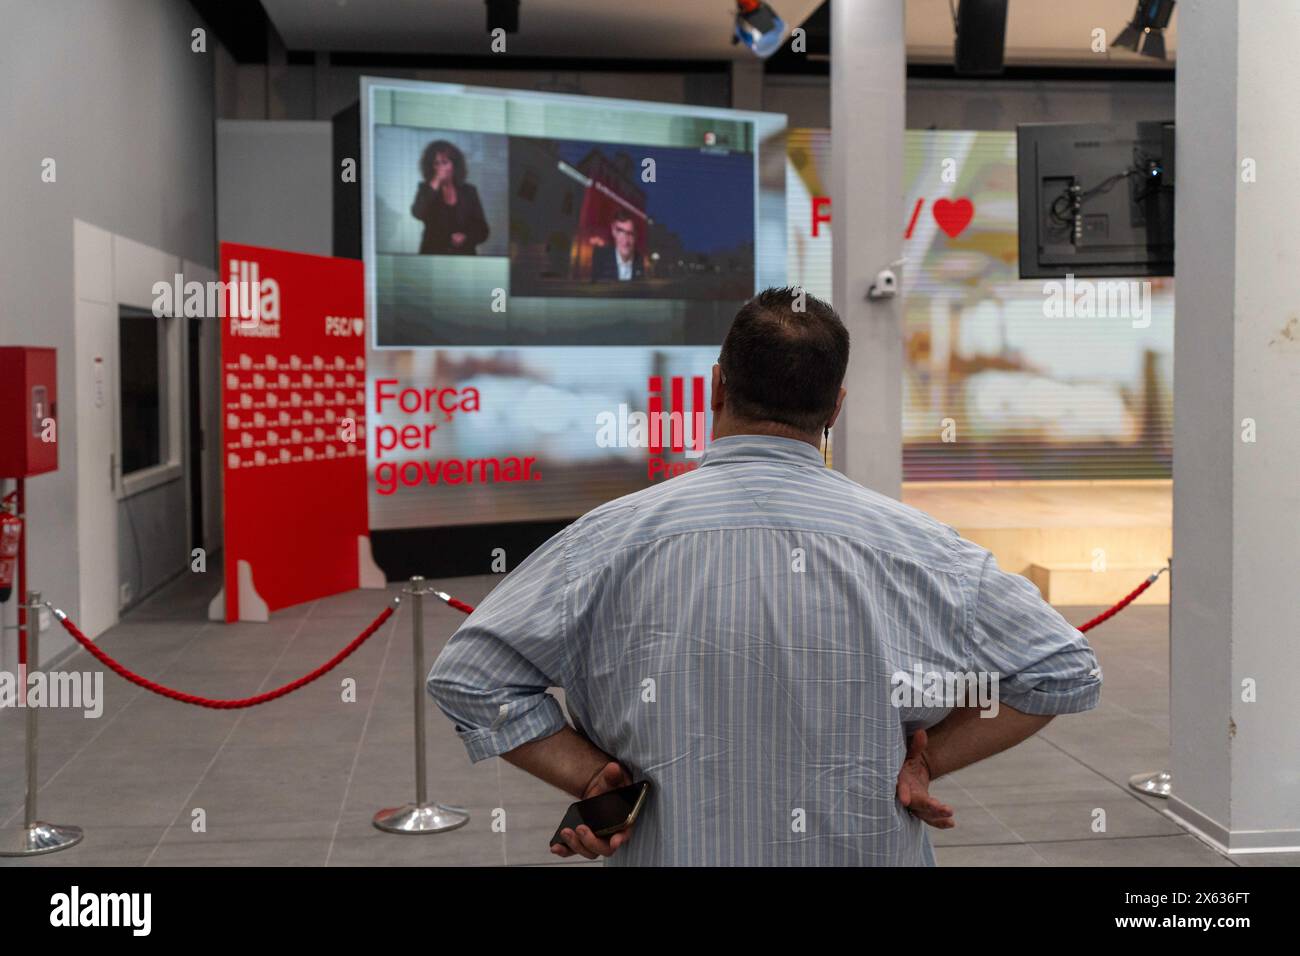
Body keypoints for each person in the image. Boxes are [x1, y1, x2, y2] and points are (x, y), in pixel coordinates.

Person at [427, 287, 1102, 866]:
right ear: (835, 407)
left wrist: (590, 775)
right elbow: (1062, 668)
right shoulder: (925, 550)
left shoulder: (605, 541)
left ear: (716, 387)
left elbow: (470, 677)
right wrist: (928, 760)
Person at [410, 140, 489, 255]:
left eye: (444, 162)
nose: (440, 168)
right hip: (433, 256)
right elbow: (418, 213)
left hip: (464, 256)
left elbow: (483, 230)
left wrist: (466, 237)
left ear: (454, 165)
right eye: (436, 163)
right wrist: (435, 182)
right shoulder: (425, 189)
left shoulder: (469, 191)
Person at [590, 210, 644, 281]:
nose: (625, 240)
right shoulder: (600, 257)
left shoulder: (641, 261)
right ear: (613, 231)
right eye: (620, 231)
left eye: (630, 233)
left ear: (636, 235)